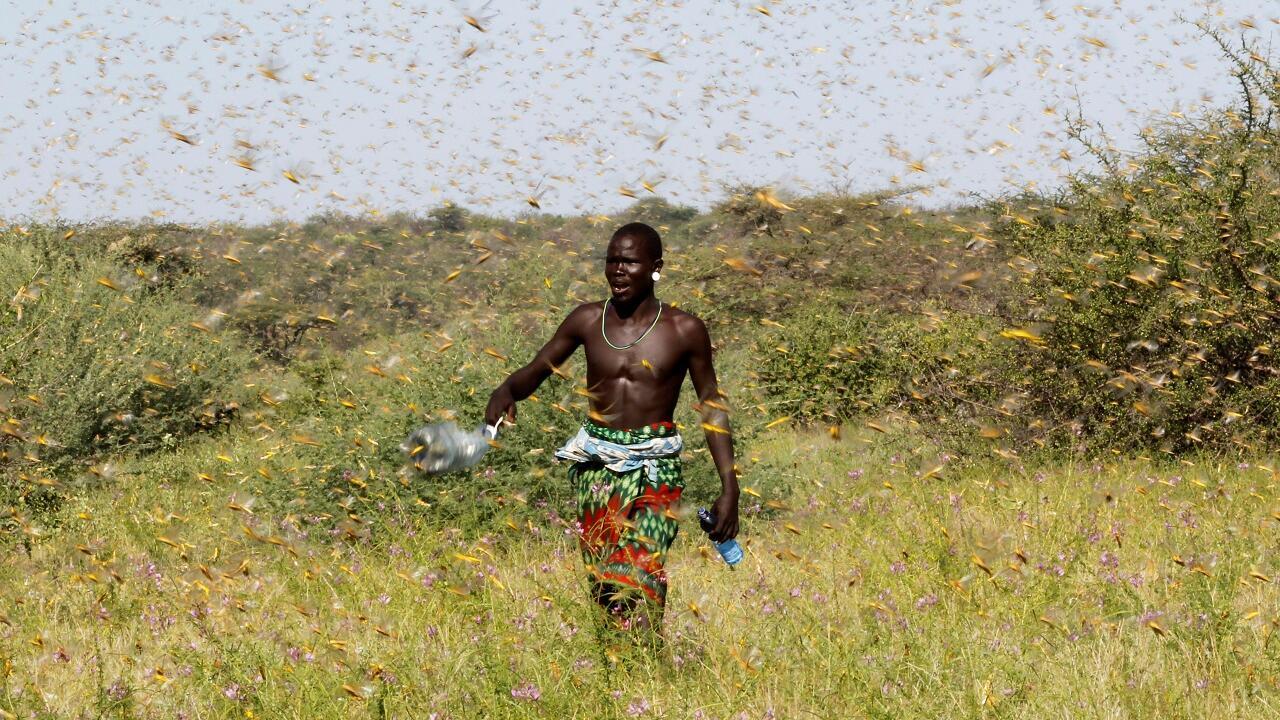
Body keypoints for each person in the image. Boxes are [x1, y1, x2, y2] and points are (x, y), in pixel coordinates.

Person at [484, 221, 739, 642]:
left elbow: (711, 403)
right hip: (596, 468)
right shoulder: (587, 320)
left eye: (630, 262)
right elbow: (536, 370)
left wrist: (729, 487)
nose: (618, 270)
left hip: (655, 471)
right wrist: (507, 390)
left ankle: (646, 669)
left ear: (656, 267)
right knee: (604, 583)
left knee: (641, 570)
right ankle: (617, 672)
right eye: (612, 261)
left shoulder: (684, 330)